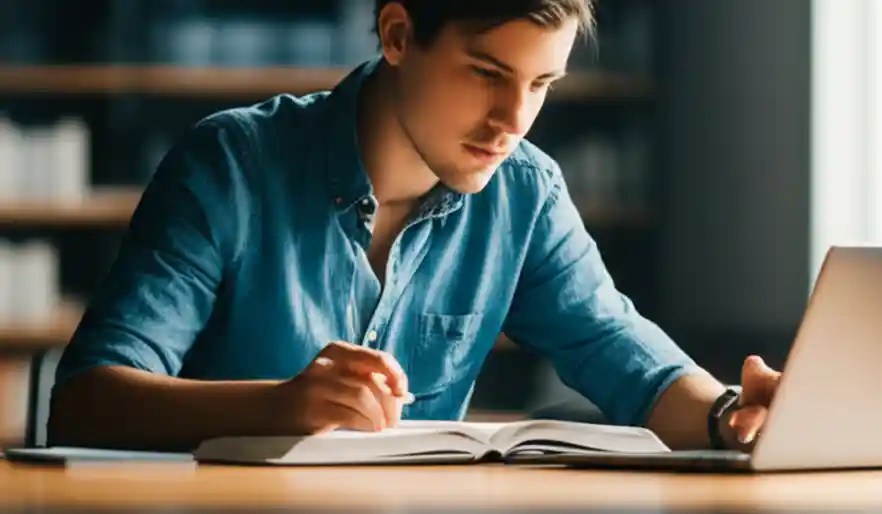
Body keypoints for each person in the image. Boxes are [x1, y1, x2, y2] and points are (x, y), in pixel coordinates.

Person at [49, 0, 781, 452]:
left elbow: (627, 360)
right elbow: (86, 402)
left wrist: (730, 415)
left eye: (540, 85)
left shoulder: (525, 195)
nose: (513, 120)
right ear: (398, 35)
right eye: (487, 74)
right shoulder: (231, 164)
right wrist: (279, 406)